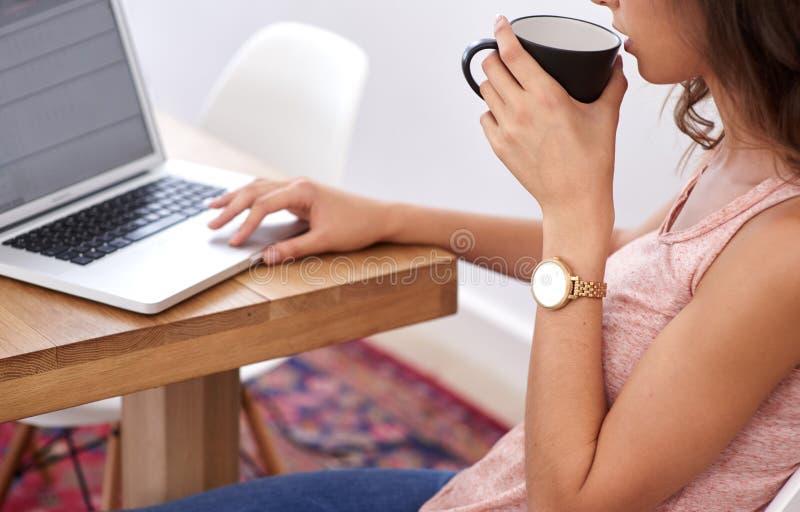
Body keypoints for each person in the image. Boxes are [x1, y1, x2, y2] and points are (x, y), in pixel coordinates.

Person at [137, 1, 800, 510]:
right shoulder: (750, 154)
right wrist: (391, 220)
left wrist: (572, 208)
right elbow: (632, 263)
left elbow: (571, 504)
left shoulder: (784, 250)